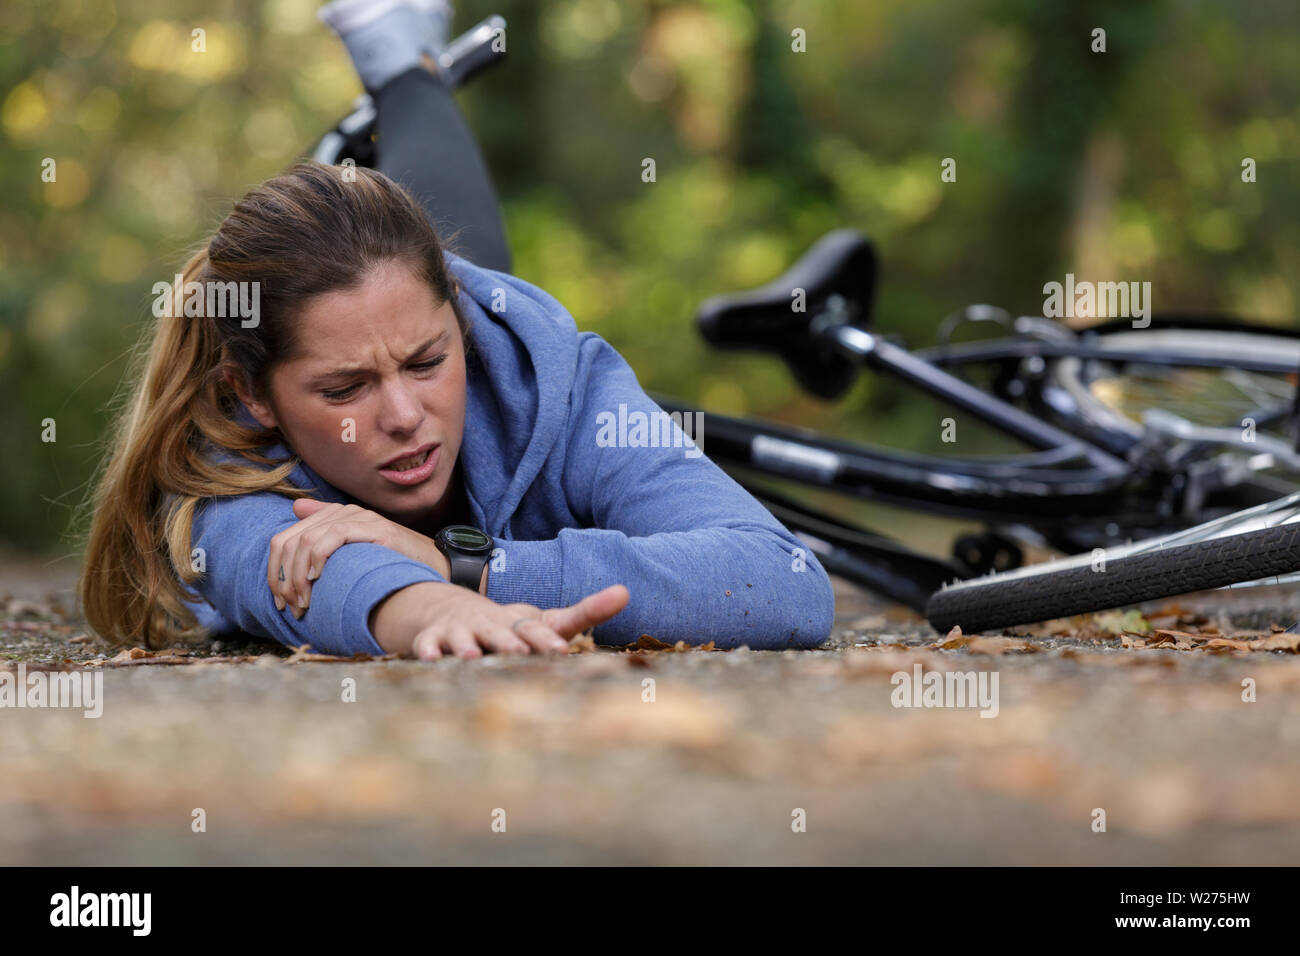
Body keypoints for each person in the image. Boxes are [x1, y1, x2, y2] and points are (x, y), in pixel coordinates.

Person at [76, 2, 836, 659]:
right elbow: (304, 575)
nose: (405, 418)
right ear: (255, 395)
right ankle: (404, 60)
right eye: (344, 387)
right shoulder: (223, 463)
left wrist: (469, 569)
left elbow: (784, 582)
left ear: (462, 325)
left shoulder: (553, 377)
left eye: (427, 362)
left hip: (472, 302)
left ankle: (405, 69)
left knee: (450, 248)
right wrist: (435, 609)